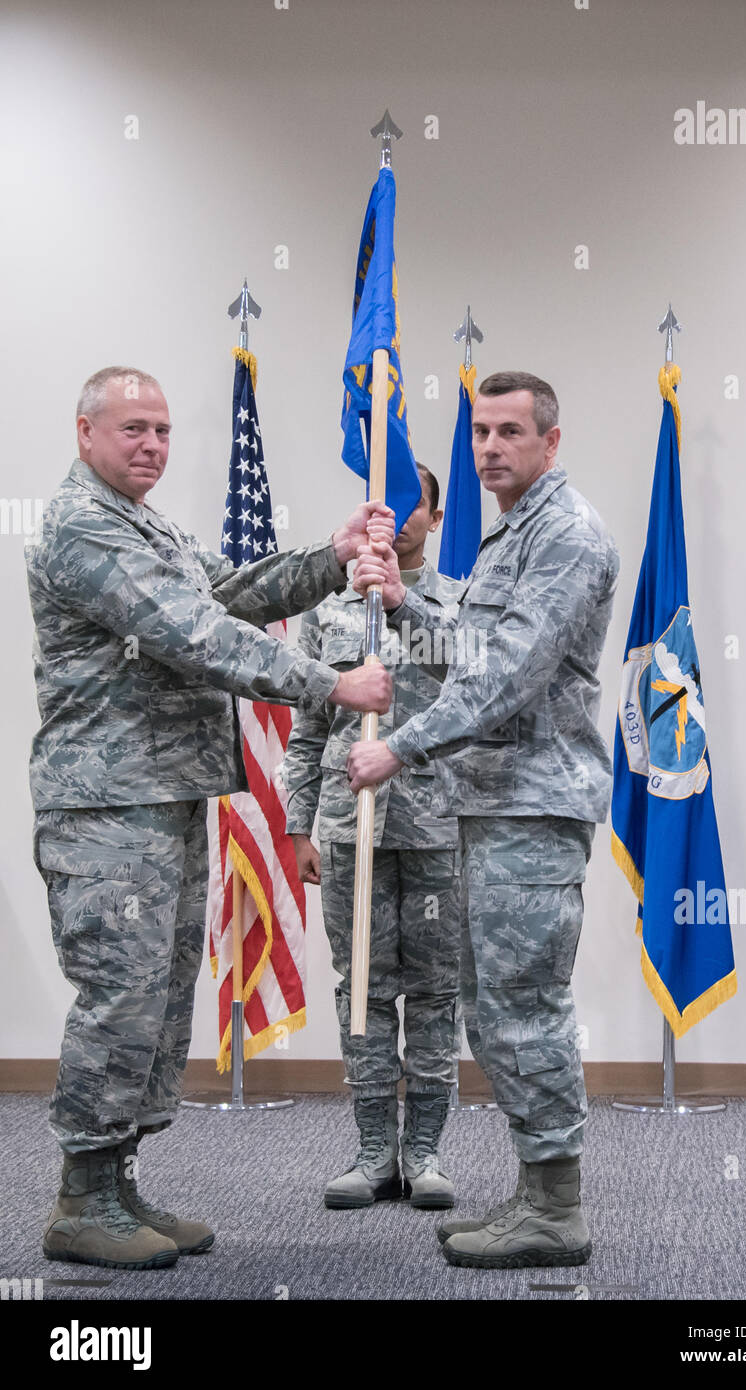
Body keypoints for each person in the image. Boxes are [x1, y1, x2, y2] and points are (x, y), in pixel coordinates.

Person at [28, 365, 393, 1271]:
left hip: (162, 796)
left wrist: (330, 556)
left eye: (160, 428)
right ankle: (81, 1195)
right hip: (106, 806)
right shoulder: (81, 526)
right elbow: (197, 634)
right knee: (119, 994)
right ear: (84, 434)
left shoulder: (144, 524)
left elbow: (226, 592)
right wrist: (328, 682)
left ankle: (118, 1180)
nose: (150, 444)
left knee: (157, 996)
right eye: (131, 430)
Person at [348, 371, 620, 1269]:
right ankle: (537, 1193)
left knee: (524, 1011)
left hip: (533, 805)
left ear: (550, 439)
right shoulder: (511, 537)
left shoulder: (568, 537)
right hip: (495, 803)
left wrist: (401, 748)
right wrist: (401, 605)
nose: (490, 448)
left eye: (510, 431)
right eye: (479, 432)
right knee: (493, 1011)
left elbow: (509, 673)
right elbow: (467, 656)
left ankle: (555, 1210)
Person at [284, 465, 464, 1211]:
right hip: (346, 824)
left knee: (432, 993)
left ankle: (423, 1155)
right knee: (359, 988)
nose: (395, 519)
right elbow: (304, 729)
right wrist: (297, 825)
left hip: (435, 829)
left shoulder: (460, 602)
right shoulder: (328, 609)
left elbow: (473, 680)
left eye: (410, 505)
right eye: (382, 506)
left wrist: (400, 604)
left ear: (434, 512)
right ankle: (370, 1152)